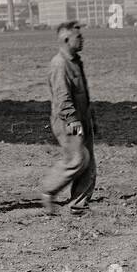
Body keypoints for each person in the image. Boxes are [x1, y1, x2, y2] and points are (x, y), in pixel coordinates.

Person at [41, 22, 97, 215]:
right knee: (78, 158)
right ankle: (48, 191)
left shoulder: (75, 61)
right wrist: (75, 124)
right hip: (69, 121)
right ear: (66, 39)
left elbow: (84, 95)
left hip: (82, 119)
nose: (82, 40)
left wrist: (91, 120)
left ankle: (79, 206)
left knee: (88, 163)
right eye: (78, 37)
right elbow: (62, 98)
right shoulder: (60, 64)